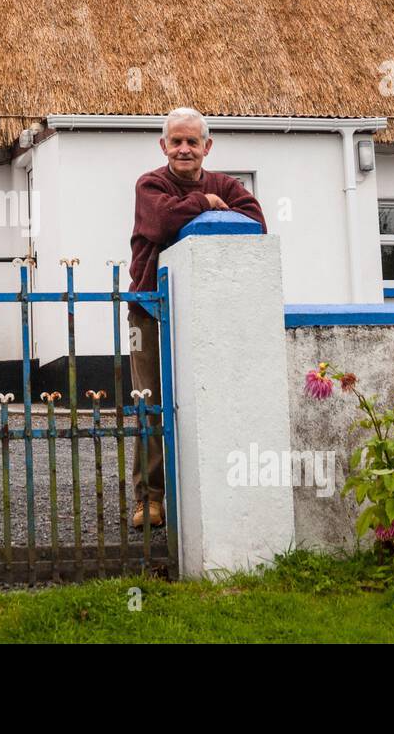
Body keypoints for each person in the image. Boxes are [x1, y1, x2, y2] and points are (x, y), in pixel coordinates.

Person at [128, 107, 267, 527]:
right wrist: (205, 203)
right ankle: (149, 498)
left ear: (207, 146)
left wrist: (200, 206)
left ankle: (205, 496)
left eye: (192, 142)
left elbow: (255, 223)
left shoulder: (229, 183)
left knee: (207, 395)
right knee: (150, 400)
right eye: (177, 141)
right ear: (163, 146)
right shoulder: (150, 183)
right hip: (149, 309)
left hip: (207, 309)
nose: (184, 149)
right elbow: (161, 221)